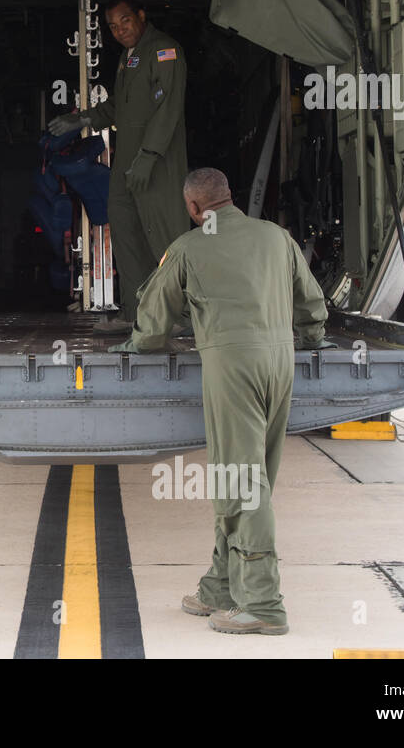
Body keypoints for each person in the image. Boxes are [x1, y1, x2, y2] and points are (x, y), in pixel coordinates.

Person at [110, 168, 331, 635]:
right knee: (254, 476)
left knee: (241, 479)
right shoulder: (276, 237)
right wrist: (312, 337)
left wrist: (138, 345)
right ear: (228, 197)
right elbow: (311, 303)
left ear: (193, 207)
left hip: (233, 367)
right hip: (280, 362)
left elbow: (154, 320)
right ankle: (223, 585)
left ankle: (264, 603)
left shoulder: (189, 247)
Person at [47, 0, 190, 334]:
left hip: (158, 164)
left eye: (125, 21)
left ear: (141, 15)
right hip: (128, 163)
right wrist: (81, 119)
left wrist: (150, 155)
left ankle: (181, 317)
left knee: (166, 239)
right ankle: (138, 315)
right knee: (126, 235)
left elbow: (167, 107)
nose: (119, 29)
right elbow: (117, 109)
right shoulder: (131, 57)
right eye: (112, 26)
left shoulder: (163, 50)